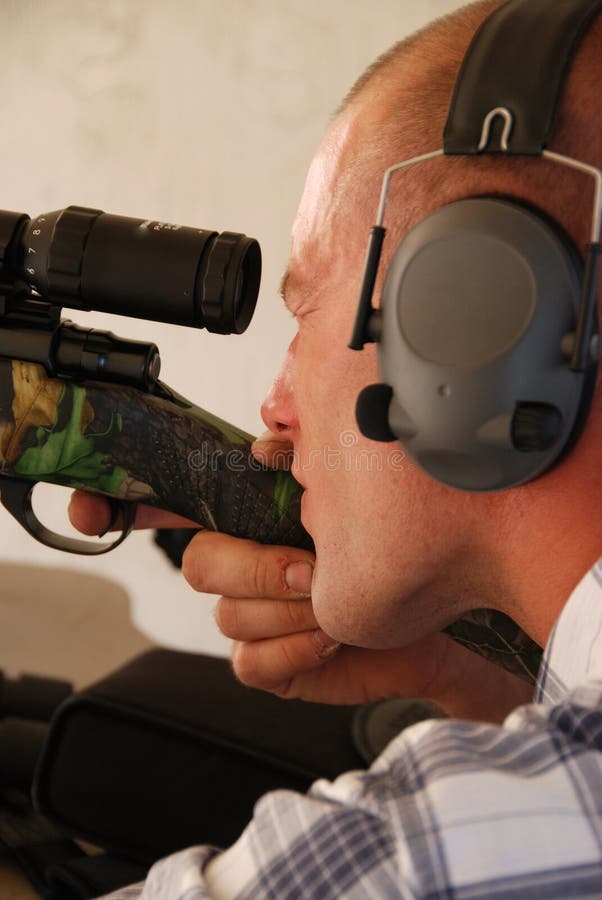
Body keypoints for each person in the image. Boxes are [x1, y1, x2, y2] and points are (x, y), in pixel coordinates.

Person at [70, 0, 602, 895]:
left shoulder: (406, 862)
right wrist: (496, 690)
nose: (274, 411)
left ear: (470, 315)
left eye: (305, 310)